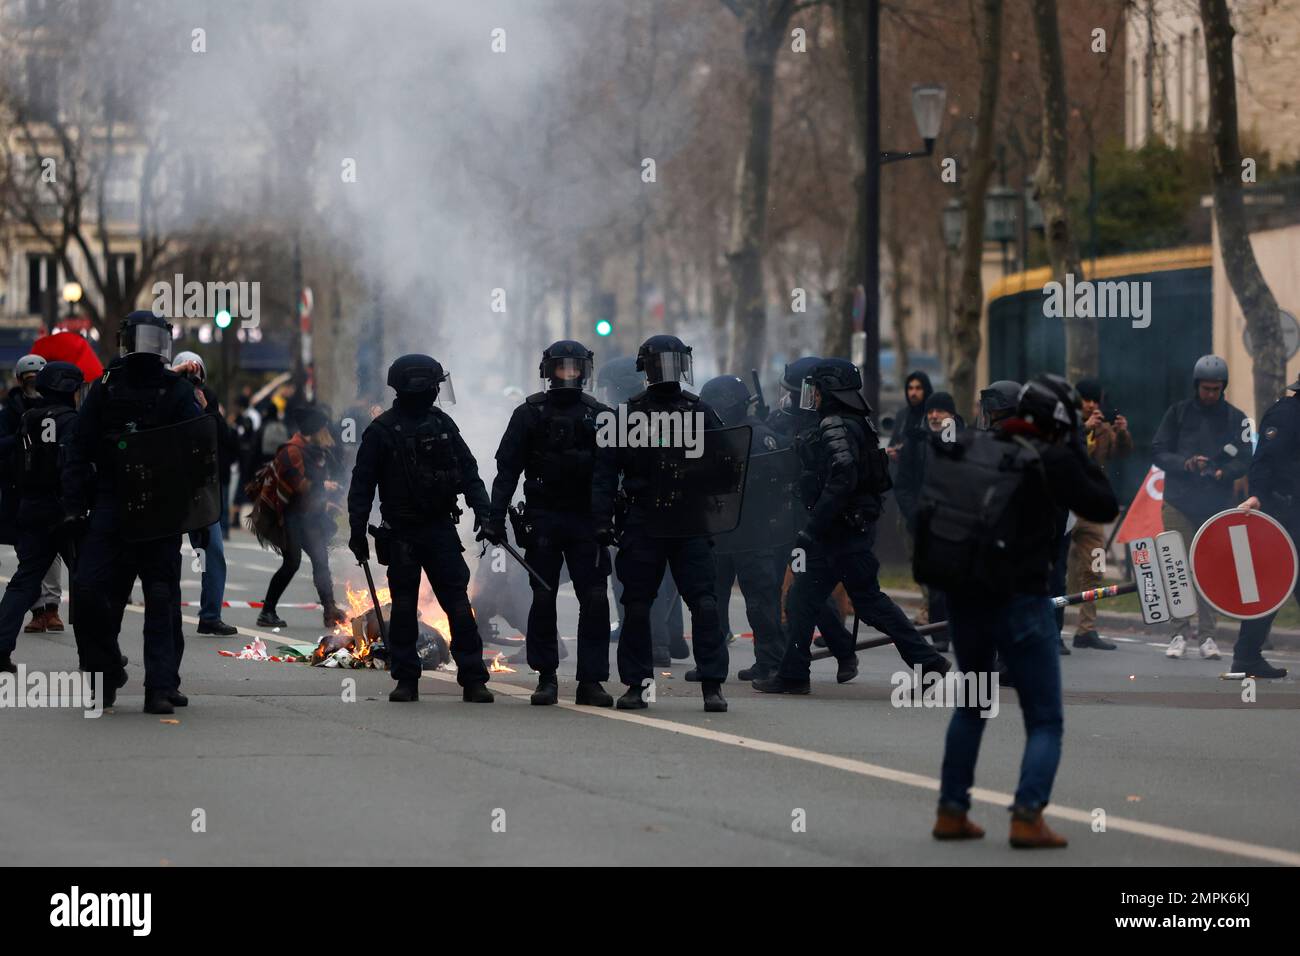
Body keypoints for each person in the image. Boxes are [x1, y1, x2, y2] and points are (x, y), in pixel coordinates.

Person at [925, 375, 1118, 848]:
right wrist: (1075, 445)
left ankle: (952, 811)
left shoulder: (971, 446)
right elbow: (1103, 503)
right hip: (1021, 598)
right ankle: (1027, 815)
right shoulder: (1050, 457)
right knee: (1045, 718)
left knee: (971, 706)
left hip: (966, 597)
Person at [755, 359, 949, 696]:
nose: (811, 397)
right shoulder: (852, 422)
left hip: (839, 534)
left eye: (816, 389)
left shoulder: (836, 425)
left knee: (868, 603)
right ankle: (794, 673)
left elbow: (842, 476)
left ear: (829, 390)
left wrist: (812, 528)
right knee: (803, 599)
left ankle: (928, 661)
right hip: (841, 532)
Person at [63, 311, 205, 714]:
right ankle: (105, 670)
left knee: (160, 599)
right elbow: (80, 447)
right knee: (89, 592)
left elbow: (199, 447)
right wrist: (73, 505)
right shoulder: (107, 387)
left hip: (158, 508)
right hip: (111, 502)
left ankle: (159, 686)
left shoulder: (175, 390)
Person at [347, 354, 493, 704]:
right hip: (401, 533)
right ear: (420, 386)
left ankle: (473, 678)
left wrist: (486, 515)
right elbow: (362, 484)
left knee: (457, 606)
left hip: (440, 528)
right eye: (434, 385)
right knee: (403, 607)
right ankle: (406, 679)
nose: (437, 391)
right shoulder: (382, 432)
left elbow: (469, 474)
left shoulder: (443, 426)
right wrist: (357, 530)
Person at [484, 340, 616, 707]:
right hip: (544, 518)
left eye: (575, 368)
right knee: (542, 596)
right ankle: (546, 677)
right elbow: (507, 471)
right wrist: (494, 518)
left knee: (594, 598)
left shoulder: (600, 415)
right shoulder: (528, 414)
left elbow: (611, 474)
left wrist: (608, 520)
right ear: (549, 371)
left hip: (588, 521)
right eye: (563, 367)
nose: (569, 374)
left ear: (585, 371)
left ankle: (591, 680)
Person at [609, 334, 729, 712]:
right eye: (660, 363)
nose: (667, 371)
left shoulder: (700, 412)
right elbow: (606, 472)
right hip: (644, 520)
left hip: (688, 518)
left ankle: (712, 684)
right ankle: (637, 685)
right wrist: (602, 521)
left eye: (672, 363)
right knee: (638, 605)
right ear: (646, 369)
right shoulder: (628, 415)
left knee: (705, 604)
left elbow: (727, 465)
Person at [1150, 355, 1249, 660]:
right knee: (1175, 566)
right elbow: (1157, 450)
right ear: (1196, 386)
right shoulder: (1177, 413)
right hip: (1178, 501)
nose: (1210, 394)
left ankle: (1208, 636)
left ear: (1224, 387)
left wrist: (1223, 472)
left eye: (1216, 389)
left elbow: (1245, 456)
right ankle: (1179, 632)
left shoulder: (1237, 418)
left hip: (1216, 505)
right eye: (1206, 388)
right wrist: (1185, 464)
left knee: (1208, 570)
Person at [695, 373, 787, 683]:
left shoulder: (758, 437)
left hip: (751, 533)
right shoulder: (719, 433)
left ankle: (770, 662)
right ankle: (712, 663)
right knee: (711, 603)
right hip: (720, 532)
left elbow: (773, 485)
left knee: (760, 603)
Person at [598, 355, 688, 665]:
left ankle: (657, 645)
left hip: (639, 511)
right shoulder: (668, 411)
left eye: (608, 388)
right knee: (667, 576)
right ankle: (673, 637)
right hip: (674, 510)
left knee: (631, 579)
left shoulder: (628, 419)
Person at [0, 362, 83, 673]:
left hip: (31, 506)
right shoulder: (73, 422)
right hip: (64, 510)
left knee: (23, 581)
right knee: (88, 581)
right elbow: (77, 468)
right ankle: (102, 654)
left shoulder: (28, 418)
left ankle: (1, 646)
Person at [1230, 375, 1298, 679]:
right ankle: (1246, 656)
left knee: (1274, 585)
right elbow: (1263, 460)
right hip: (1282, 512)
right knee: (1271, 585)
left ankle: (1246, 656)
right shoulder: (1286, 414)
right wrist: (1256, 494)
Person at [256, 406, 346, 629]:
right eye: (322, 427)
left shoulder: (316, 450)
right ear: (313, 429)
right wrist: (322, 487)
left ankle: (329, 610)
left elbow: (318, 481)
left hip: (309, 516)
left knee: (321, 561)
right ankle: (267, 612)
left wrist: (326, 496)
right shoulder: (292, 450)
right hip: (289, 516)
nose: (326, 431)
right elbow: (298, 485)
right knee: (292, 563)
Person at [171, 352, 238, 637]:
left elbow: (226, 440)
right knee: (164, 555)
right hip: (171, 486)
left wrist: (209, 410)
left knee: (212, 551)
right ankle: (167, 612)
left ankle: (210, 615)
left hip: (201, 488)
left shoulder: (207, 397)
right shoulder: (166, 396)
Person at [1, 354, 67, 635]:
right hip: (21, 491)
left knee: (51, 558)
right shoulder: (11, 412)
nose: (33, 384)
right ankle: (38, 610)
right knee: (28, 557)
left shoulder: (58, 411)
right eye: (28, 379)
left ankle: (50, 607)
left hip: (52, 493)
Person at [1065, 378, 1132, 651]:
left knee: (1095, 565)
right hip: (1065, 507)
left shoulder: (1103, 429)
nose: (1091, 405)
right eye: (1086, 399)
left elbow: (1122, 453)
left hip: (1090, 510)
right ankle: (1052, 630)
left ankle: (1086, 629)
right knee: (1056, 570)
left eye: (1094, 400)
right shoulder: (1065, 424)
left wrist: (1123, 432)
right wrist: (1083, 429)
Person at [893, 391, 963, 651]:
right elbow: (903, 486)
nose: (934, 416)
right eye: (931, 411)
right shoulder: (915, 442)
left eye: (940, 411)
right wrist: (915, 516)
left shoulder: (967, 441)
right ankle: (940, 634)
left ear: (952, 415)